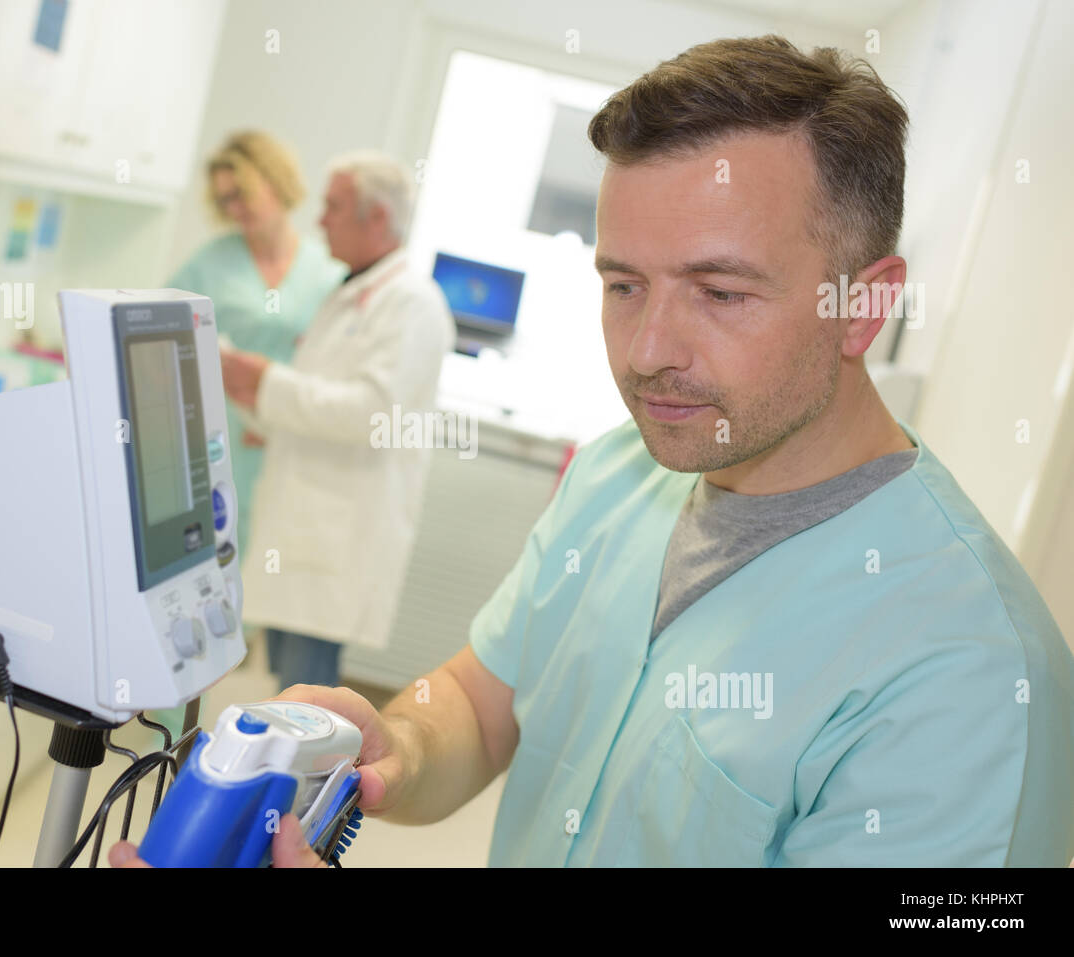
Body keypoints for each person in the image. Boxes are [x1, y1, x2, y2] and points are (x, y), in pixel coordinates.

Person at [113, 36, 1074, 868]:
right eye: (624, 285)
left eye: (721, 292)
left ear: (862, 304)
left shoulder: (973, 679)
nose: (649, 349)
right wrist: (394, 743)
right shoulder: (625, 470)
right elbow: (481, 704)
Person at [214, 151, 454, 691]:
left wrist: (268, 382)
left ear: (376, 218)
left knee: (305, 698)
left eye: (333, 207)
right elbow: (316, 404)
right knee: (286, 689)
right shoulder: (351, 292)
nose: (319, 220)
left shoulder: (411, 303)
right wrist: (254, 395)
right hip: (305, 531)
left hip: (337, 541)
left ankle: (302, 780)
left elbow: (373, 414)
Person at [166, 130, 346, 561]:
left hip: (291, 436)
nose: (235, 209)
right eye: (224, 200)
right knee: (212, 562)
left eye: (242, 194)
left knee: (275, 562)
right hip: (218, 435)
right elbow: (163, 336)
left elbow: (338, 363)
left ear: (276, 182)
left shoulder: (328, 269)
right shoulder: (213, 262)